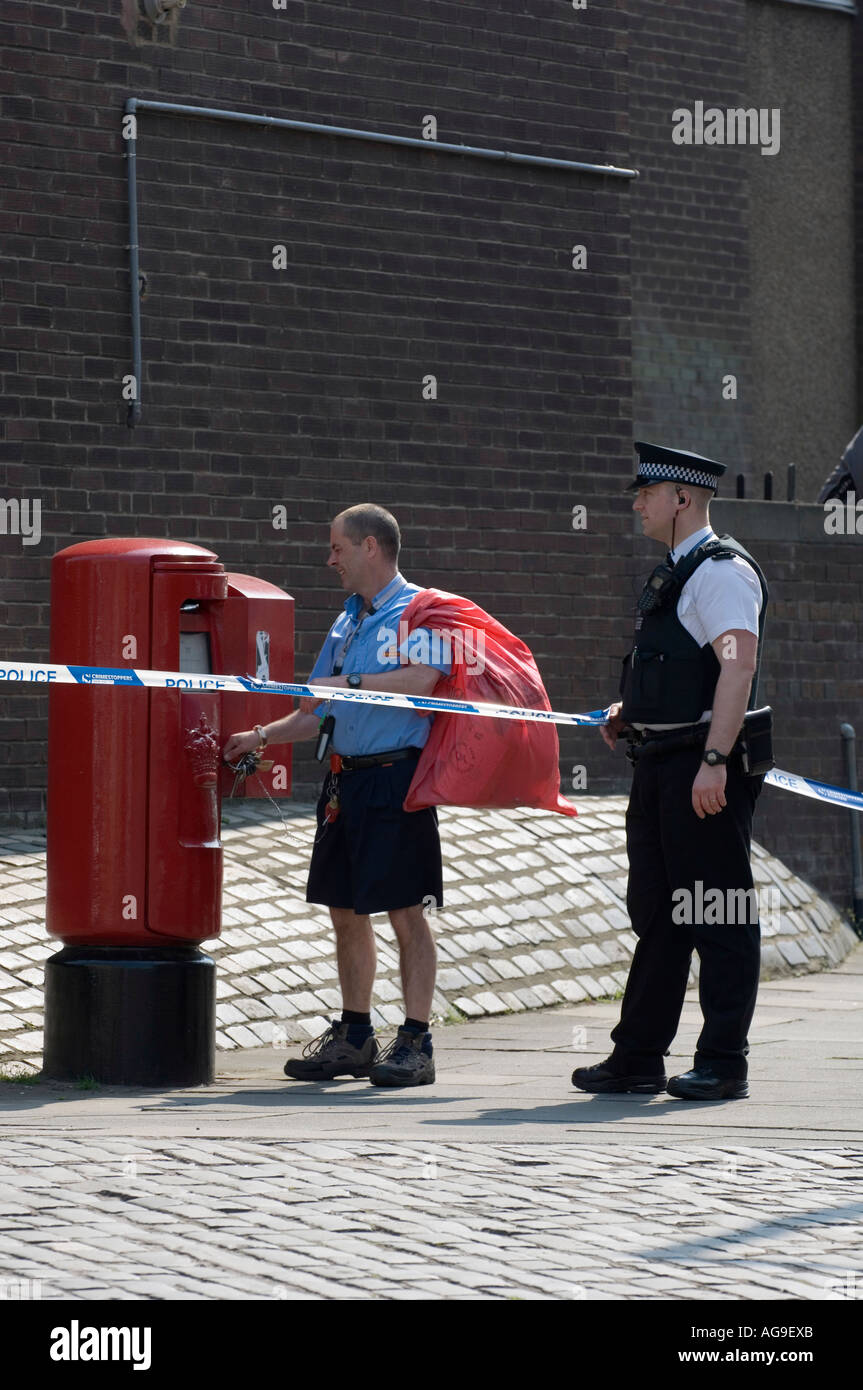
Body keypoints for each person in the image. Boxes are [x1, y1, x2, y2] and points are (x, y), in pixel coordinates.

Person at [223, 504, 450, 1088]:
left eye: (337, 549)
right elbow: (314, 707)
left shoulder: (422, 612)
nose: (330, 560)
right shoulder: (346, 622)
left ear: (370, 546)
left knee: (405, 911)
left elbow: (420, 684)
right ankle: (355, 1036)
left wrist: (347, 682)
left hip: (398, 779)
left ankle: (416, 1043)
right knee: (344, 909)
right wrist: (263, 735)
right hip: (343, 782)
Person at [572, 442, 769, 1101]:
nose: (636, 504)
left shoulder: (720, 572)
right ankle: (636, 1058)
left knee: (718, 912)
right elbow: (686, 669)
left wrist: (713, 761)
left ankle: (722, 1061)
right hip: (659, 762)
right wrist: (633, 711)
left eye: (645, 494)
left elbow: (736, 669)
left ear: (680, 499)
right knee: (659, 912)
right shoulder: (675, 572)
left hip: (699, 765)